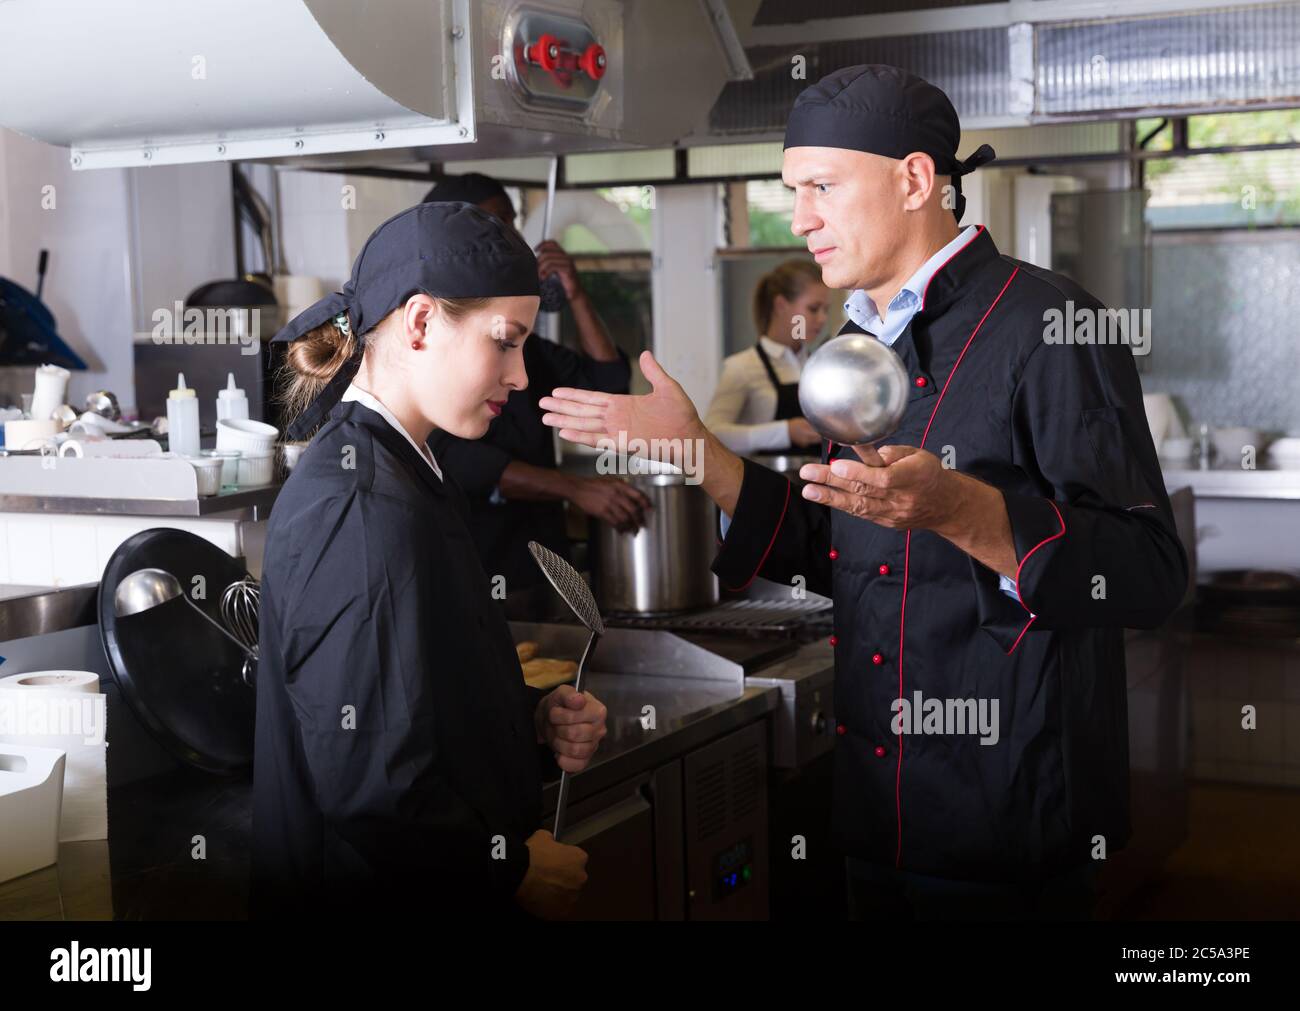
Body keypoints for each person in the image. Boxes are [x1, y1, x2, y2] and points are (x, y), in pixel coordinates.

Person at [538, 65, 1188, 921]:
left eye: (821, 186)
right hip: (878, 803)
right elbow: (832, 541)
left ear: (916, 179)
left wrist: (963, 509)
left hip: (1007, 803)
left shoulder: (1047, 325)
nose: (799, 215)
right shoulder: (853, 343)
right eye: (792, 189)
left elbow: (1145, 570)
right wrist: (693, 450)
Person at [253, 202, 608, 920]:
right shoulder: (358, 502)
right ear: (419, 322)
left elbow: (415, 706)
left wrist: (532, 725)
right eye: (504, 343)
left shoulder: (409, 467)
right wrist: (502, 873)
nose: (519, 375)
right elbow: (372, 780)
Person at [420, 173, 650, 607]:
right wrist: (572, 488)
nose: (517, 377)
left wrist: (577, 296)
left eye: (511, 222)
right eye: (496, 223)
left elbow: (608, 385)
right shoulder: (432, 349)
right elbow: (458, 459)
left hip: (545, 566)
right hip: (479, 571)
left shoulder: (528, 351)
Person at [705, 259, 830, 455]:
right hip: (767, 482)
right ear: (781, 305)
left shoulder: (821, 366)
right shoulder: (742, 367)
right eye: (813, 309)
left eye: (826, 310)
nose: (822, 319)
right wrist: (784, 432)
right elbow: (714, 433)